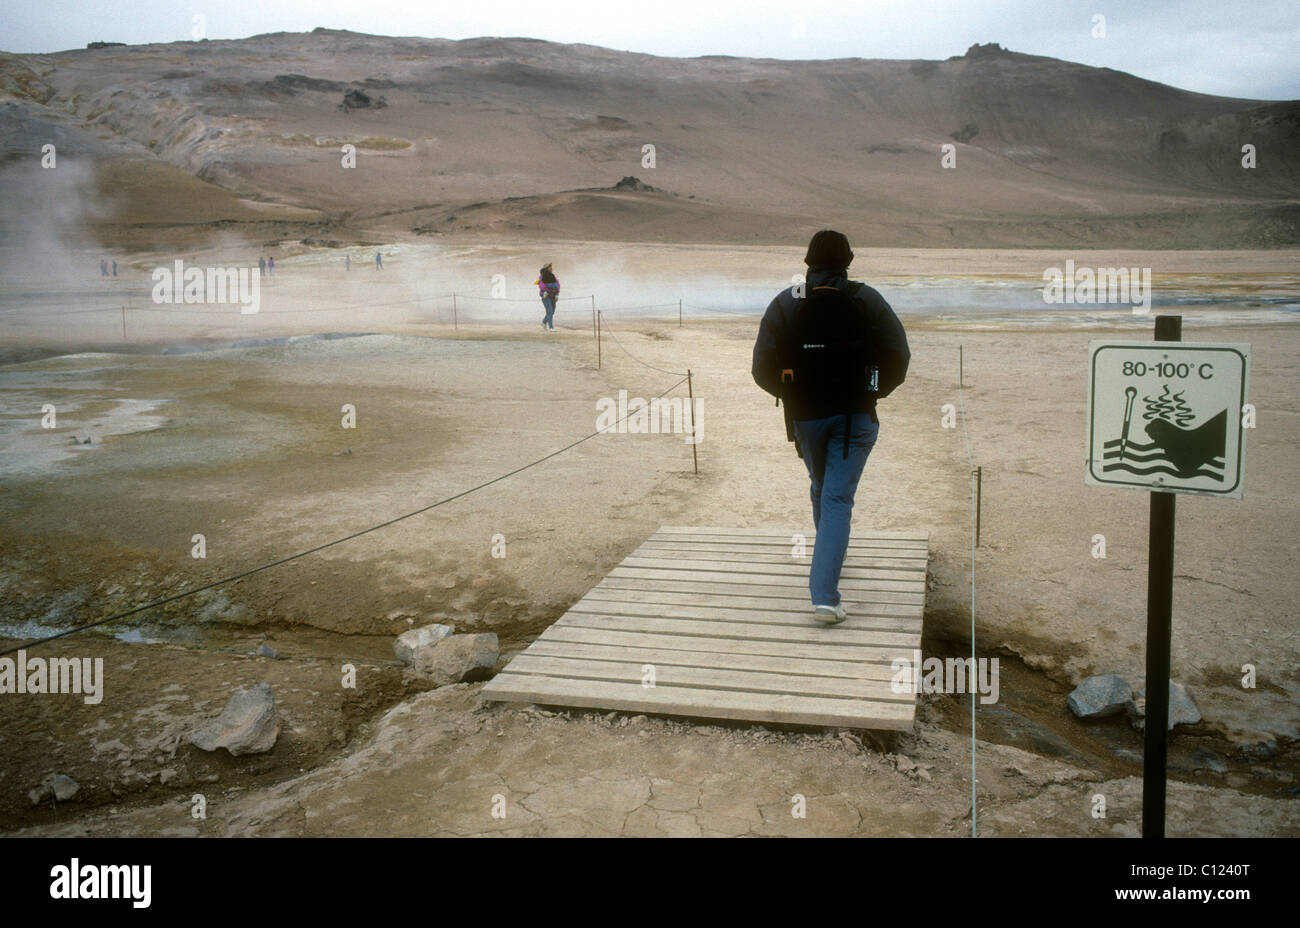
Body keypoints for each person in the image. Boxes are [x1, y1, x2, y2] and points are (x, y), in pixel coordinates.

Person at [751, 230, 910, 625]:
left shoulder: (787, 301)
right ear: (848, 260)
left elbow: (760, 367)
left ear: (808, 261)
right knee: (837, 499)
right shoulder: (865, 298)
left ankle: (830, 555)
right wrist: (871, 392)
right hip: (855, 417)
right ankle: (824, 596)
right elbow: (898, 355)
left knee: (823, 489)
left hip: (805, 420)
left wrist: (792, 395)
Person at [536, 263, 559, 330]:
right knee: (550, 311)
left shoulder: (553, 276)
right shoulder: (542, 277)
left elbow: (557, 285)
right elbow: (542, 286)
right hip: (546, 296)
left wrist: (557, 293)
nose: (552, 268)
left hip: (553, 296)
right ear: (547, 268)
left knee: (552, 311)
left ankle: (544, 322)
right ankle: (551, 327)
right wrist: (550, 289)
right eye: (550, 267)